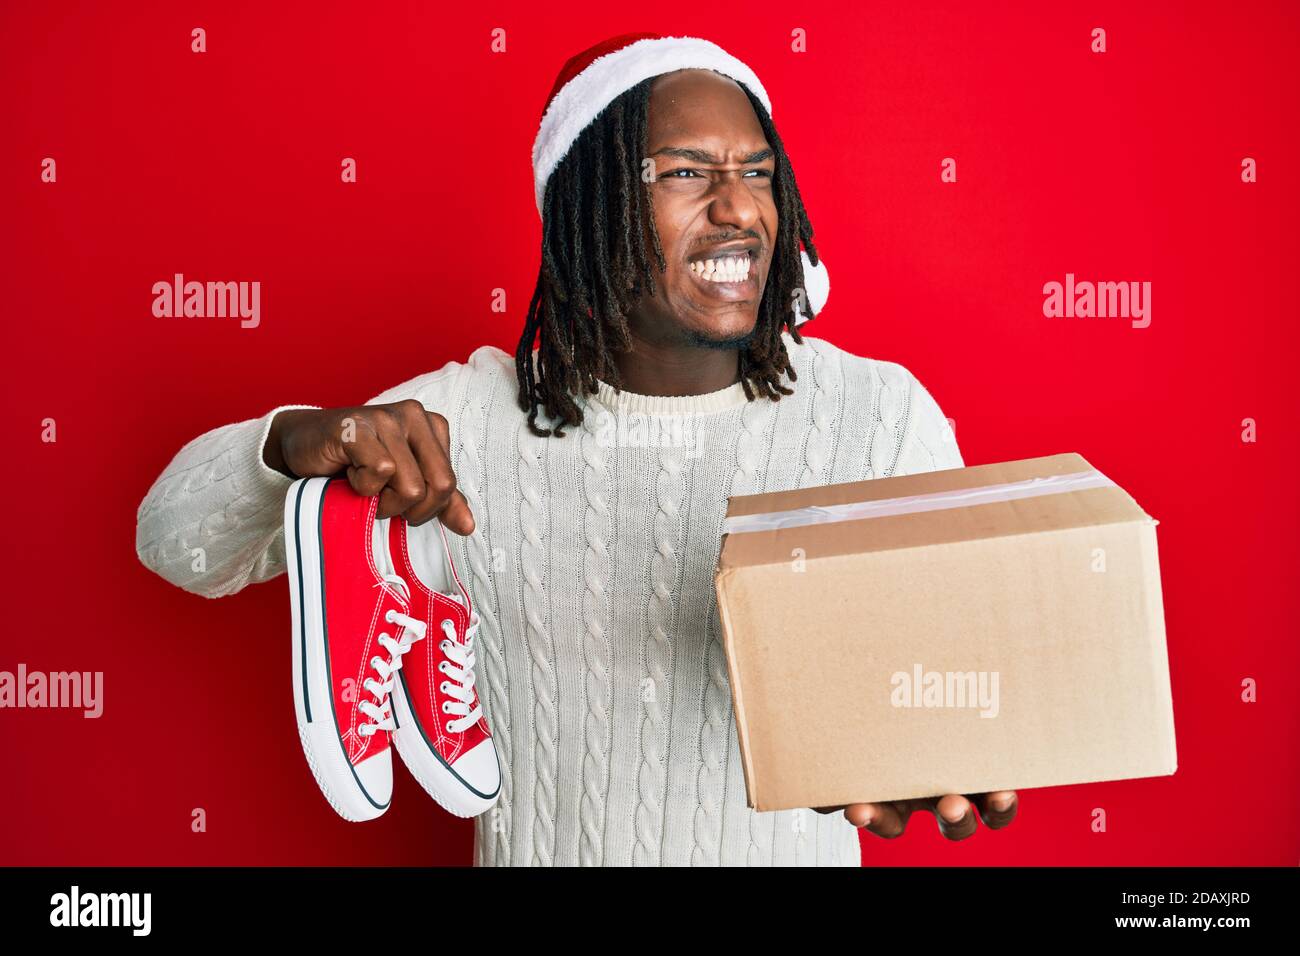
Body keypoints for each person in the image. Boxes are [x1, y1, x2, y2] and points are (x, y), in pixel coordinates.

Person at [135, 32, 1017, 866]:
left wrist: (949, 730)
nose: (740, 205)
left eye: (757, 172)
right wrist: (297, 439)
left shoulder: (876, 419)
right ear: (587, 203)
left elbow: (963, 673)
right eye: (685, 172)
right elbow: (171, 542)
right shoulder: (459, 427)